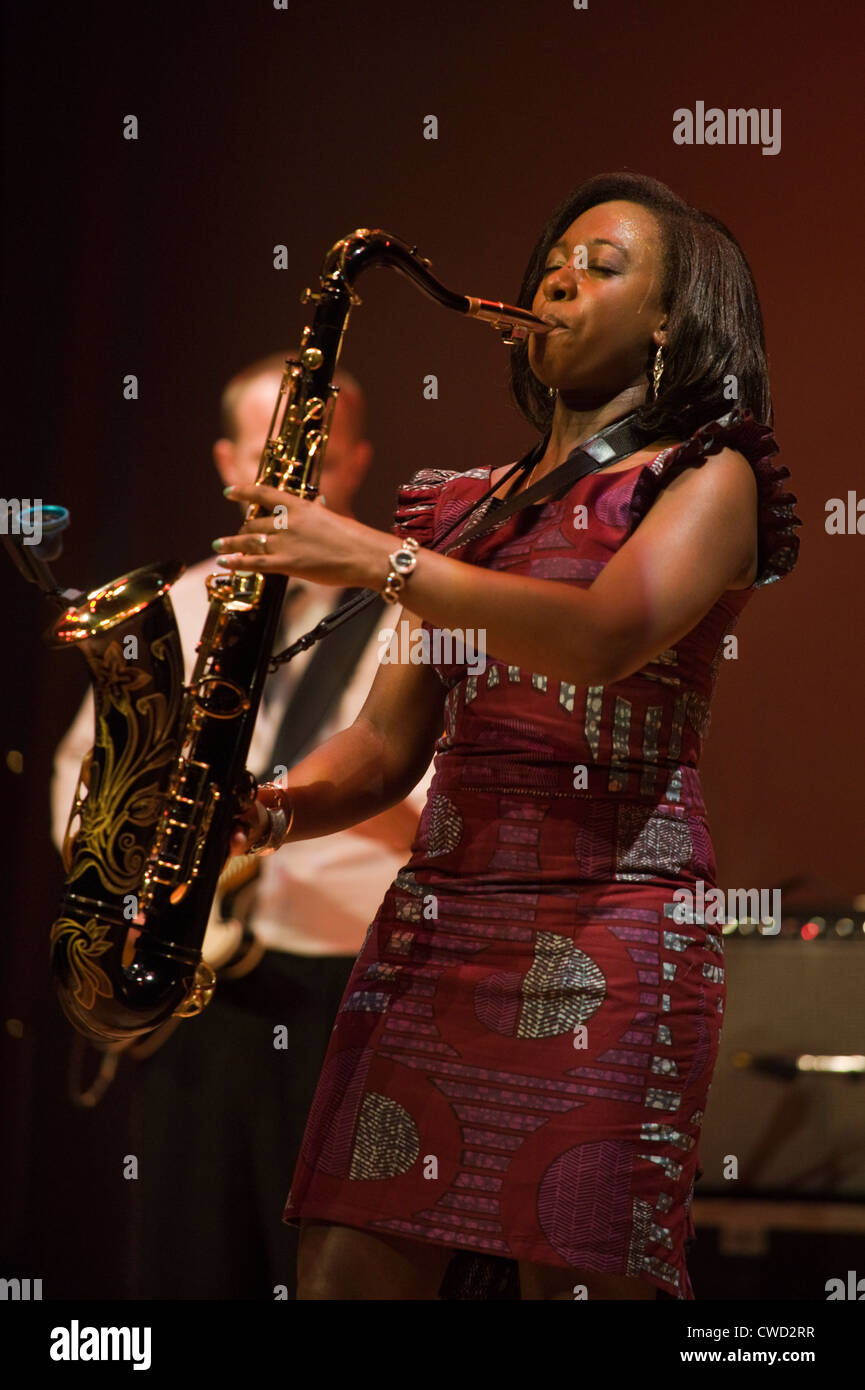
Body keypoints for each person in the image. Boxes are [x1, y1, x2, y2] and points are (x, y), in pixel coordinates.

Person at [213, 172, 801, 1301]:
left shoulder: (706, 473)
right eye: (550, 263)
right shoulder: (462, 511)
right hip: (437, 933)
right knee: (341, 1270)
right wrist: (258, 810)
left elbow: (602, 635)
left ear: (673, 318)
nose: (558, 278)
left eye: (601, 263)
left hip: (613, 929)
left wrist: (376, 562)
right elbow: (386, 749)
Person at [51, 352, 433, 1299]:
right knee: (189, 1256)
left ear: (357, 465)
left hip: (351, 994)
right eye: (269, 458)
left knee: (323, 1266)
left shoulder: (408, 607)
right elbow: (85, 776)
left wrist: (275, 809)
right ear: (228, 464)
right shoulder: (181, 597)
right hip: (203, 982)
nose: (292, 481)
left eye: (319, 460)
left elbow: (432, 802)